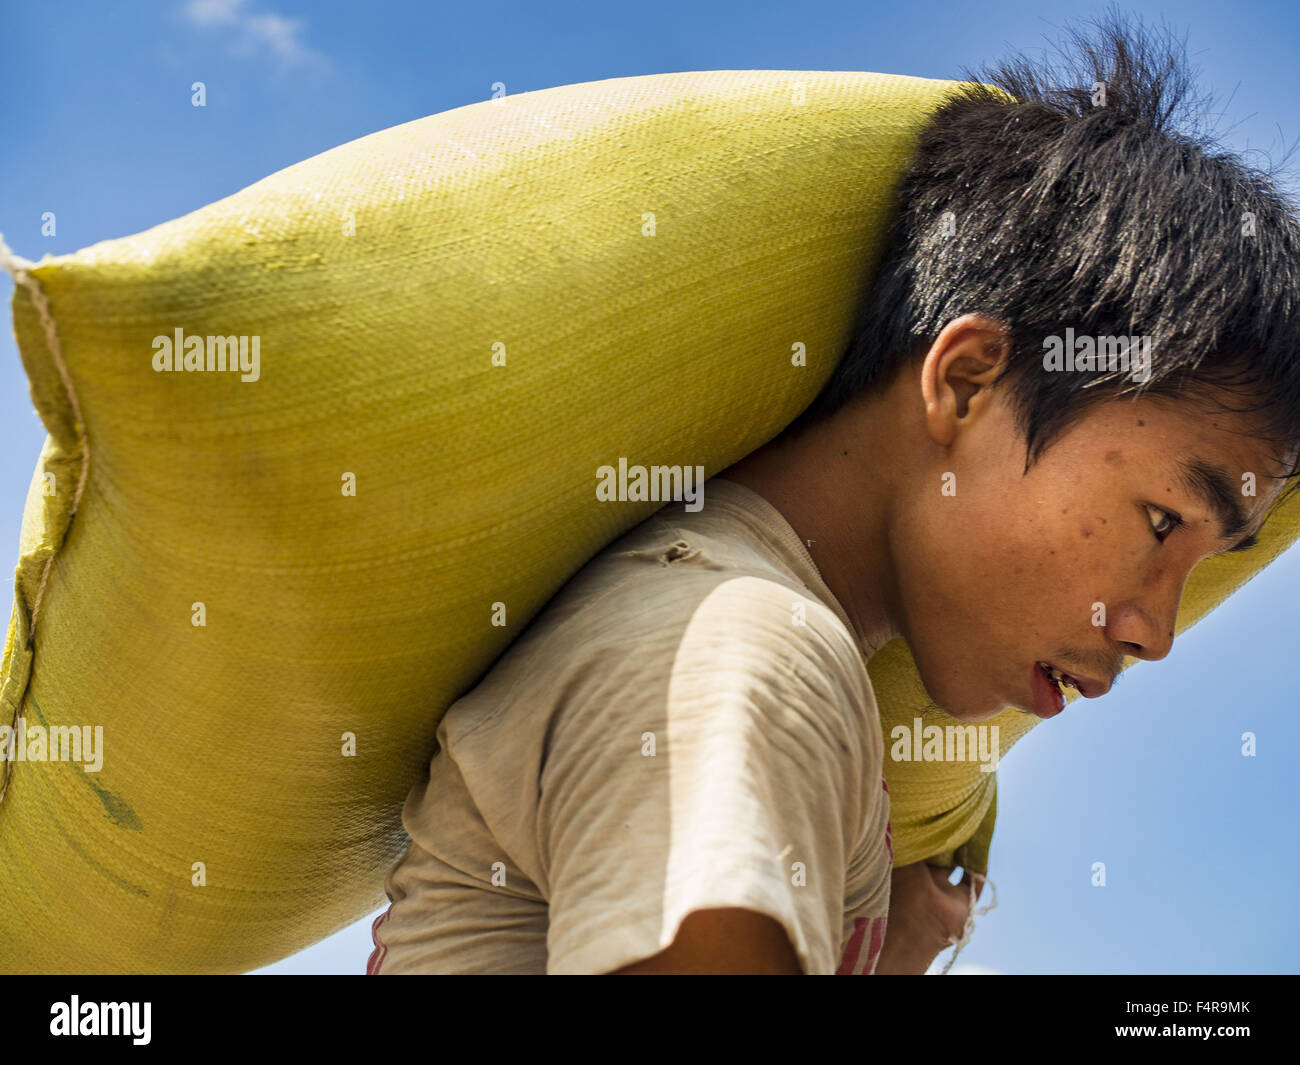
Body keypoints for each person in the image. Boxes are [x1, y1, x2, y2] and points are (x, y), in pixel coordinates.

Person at [367, 11, 1300, 974]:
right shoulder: (751, 651)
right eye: (1162, 522)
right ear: (968, 379)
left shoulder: (768, 653)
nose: (1157, 632)